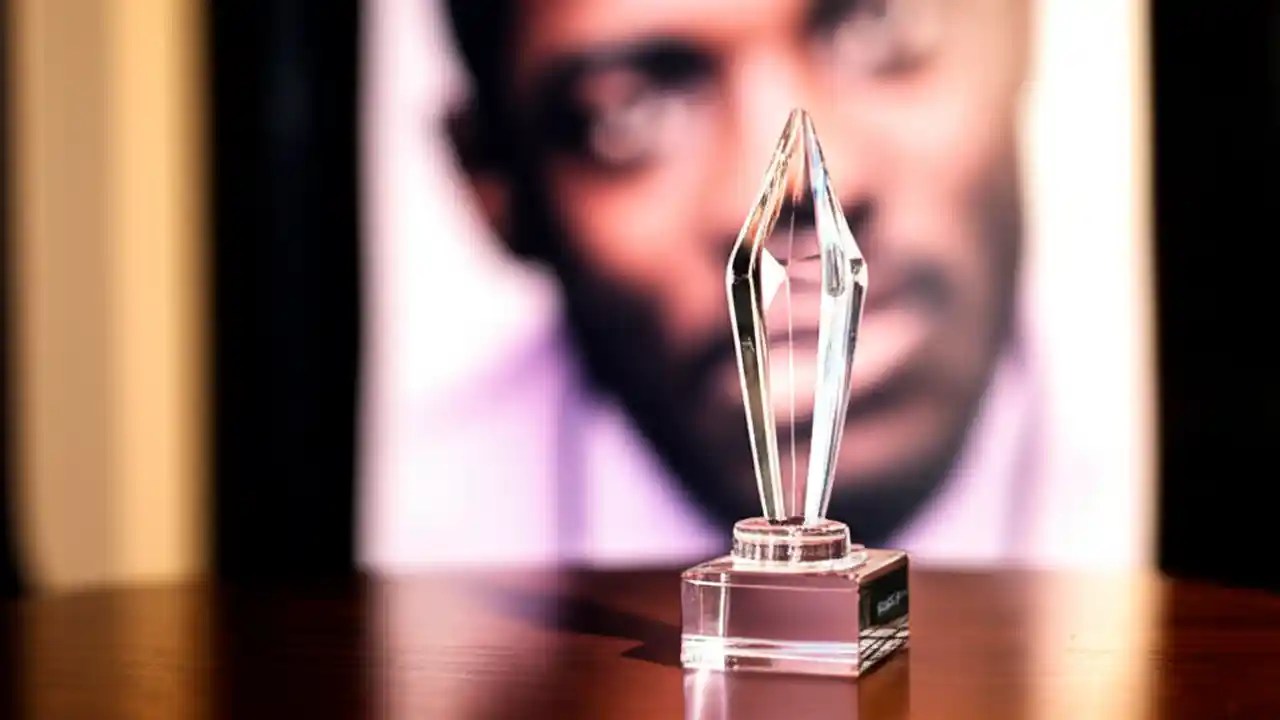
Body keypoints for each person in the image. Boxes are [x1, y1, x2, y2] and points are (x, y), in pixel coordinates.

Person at [384, 0, 1084, 566]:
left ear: (1021, 26)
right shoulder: (408, 549)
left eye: (882, 26)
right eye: (630, 113)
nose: (801, 194)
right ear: (496, 190)